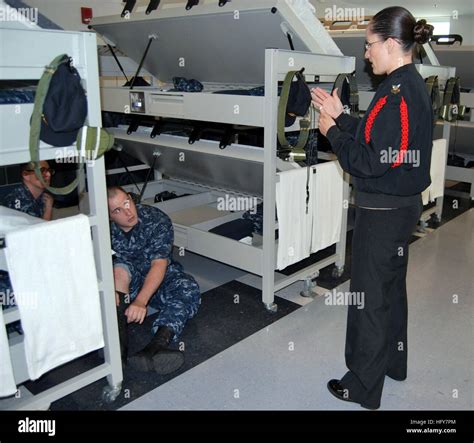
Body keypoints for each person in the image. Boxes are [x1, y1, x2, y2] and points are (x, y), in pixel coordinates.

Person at [311, 7, 434, 410]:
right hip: (401, 207)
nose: (366, 54)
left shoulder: (397, 93)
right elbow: (377, 136)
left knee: (368, 298)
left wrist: (330, 133)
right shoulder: (407, 86)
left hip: (382, 211)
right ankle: (392, 364)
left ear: (392, 44)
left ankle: (362, 385)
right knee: (390, 292)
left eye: (369, 45)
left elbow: (367, 160)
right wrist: (342, 115)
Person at [107, 186, 201, 375]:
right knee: (120, 269)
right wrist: (110, 292)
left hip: (157, 276)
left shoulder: (156, 219)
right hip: (126, 282)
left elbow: (159, 265)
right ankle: (117, 352)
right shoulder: (102, 231)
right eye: (118, 210)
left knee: (188, 288)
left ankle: (156, 346)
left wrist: (141, 301)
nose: (128, 211)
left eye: (127, 202)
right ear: (109, 216)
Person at [0, 160, 55, 304]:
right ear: (26, 175)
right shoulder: (18, 199)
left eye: (49, 170)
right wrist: (48, 210)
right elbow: (36, 238)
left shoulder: (41, 198)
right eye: (42, 171)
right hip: (11, 274)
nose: (48, 174)